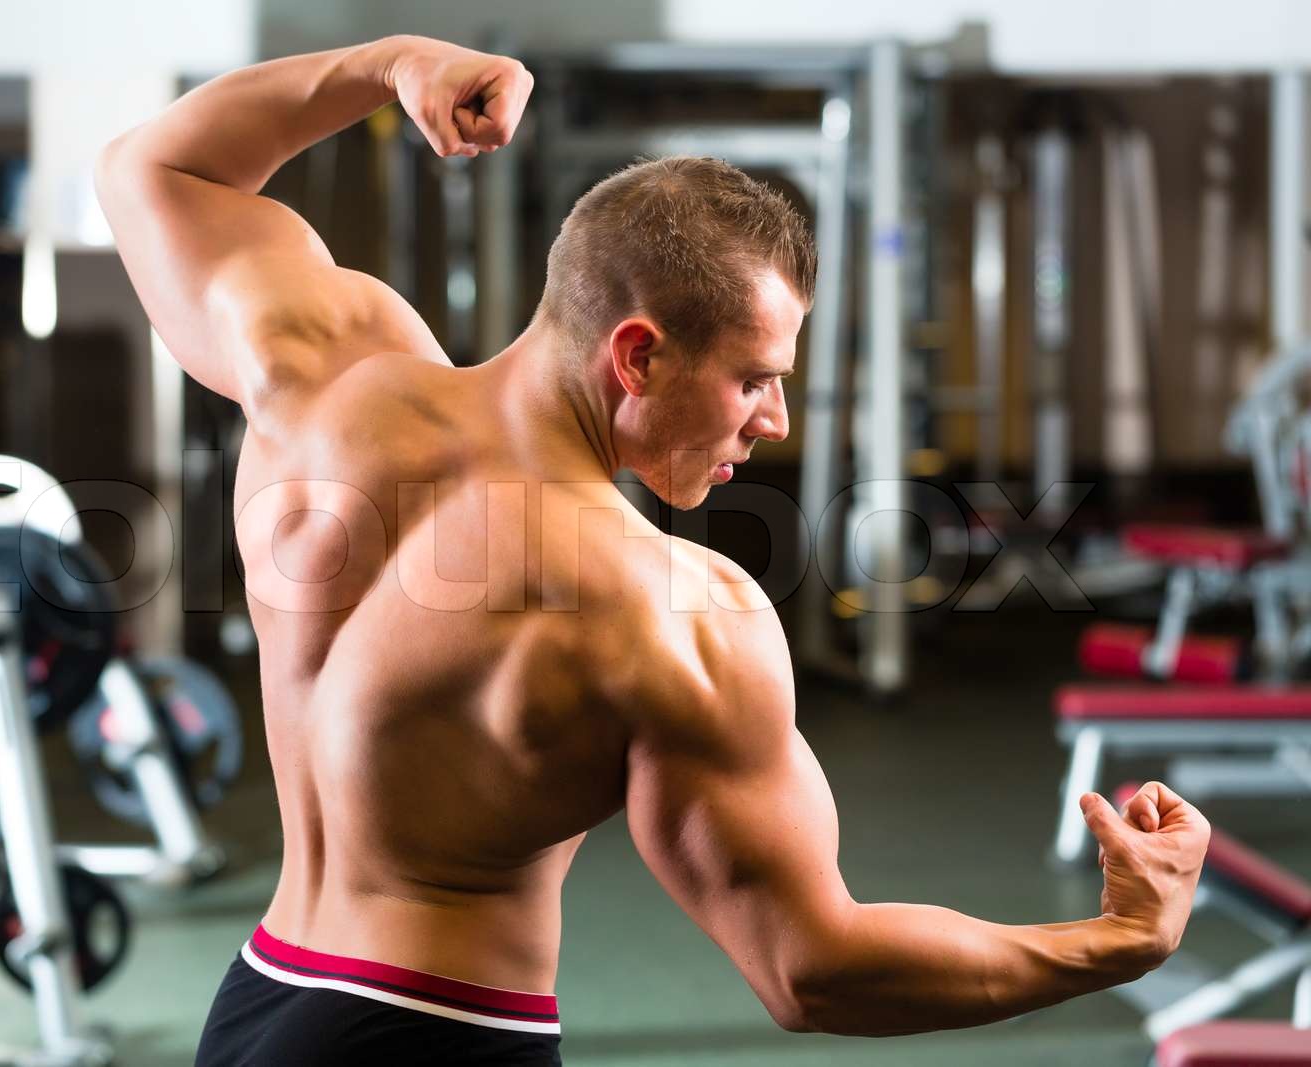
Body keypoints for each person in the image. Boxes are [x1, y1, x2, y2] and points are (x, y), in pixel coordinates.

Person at [96, 33, 1210, 1066]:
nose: (771, 418)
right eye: (753, 378)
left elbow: (157, 172)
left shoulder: (329, 378)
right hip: (437, 1032)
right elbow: (811, 967)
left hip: (256, 1000)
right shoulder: (671, 610)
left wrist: (388, 63)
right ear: (637, 354)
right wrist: (1115, 939)